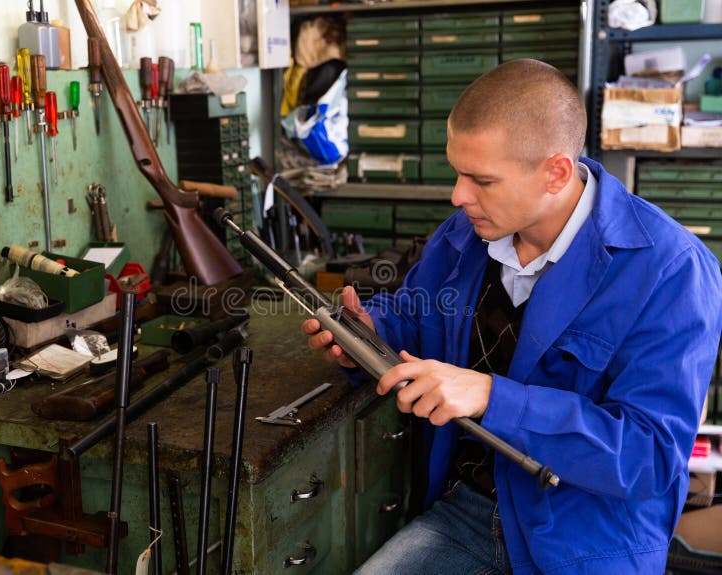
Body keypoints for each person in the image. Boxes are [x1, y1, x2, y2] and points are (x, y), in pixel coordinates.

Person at [303, 59, 722, 574]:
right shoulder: (466, 234)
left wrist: (491, 396)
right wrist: (369, 335)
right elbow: (416, 319)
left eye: (481, 179)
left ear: (556, 172)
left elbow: (650, 456)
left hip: (587, 540)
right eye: (458, 172)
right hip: (470, 513)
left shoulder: (670, 271)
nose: (458, 196)